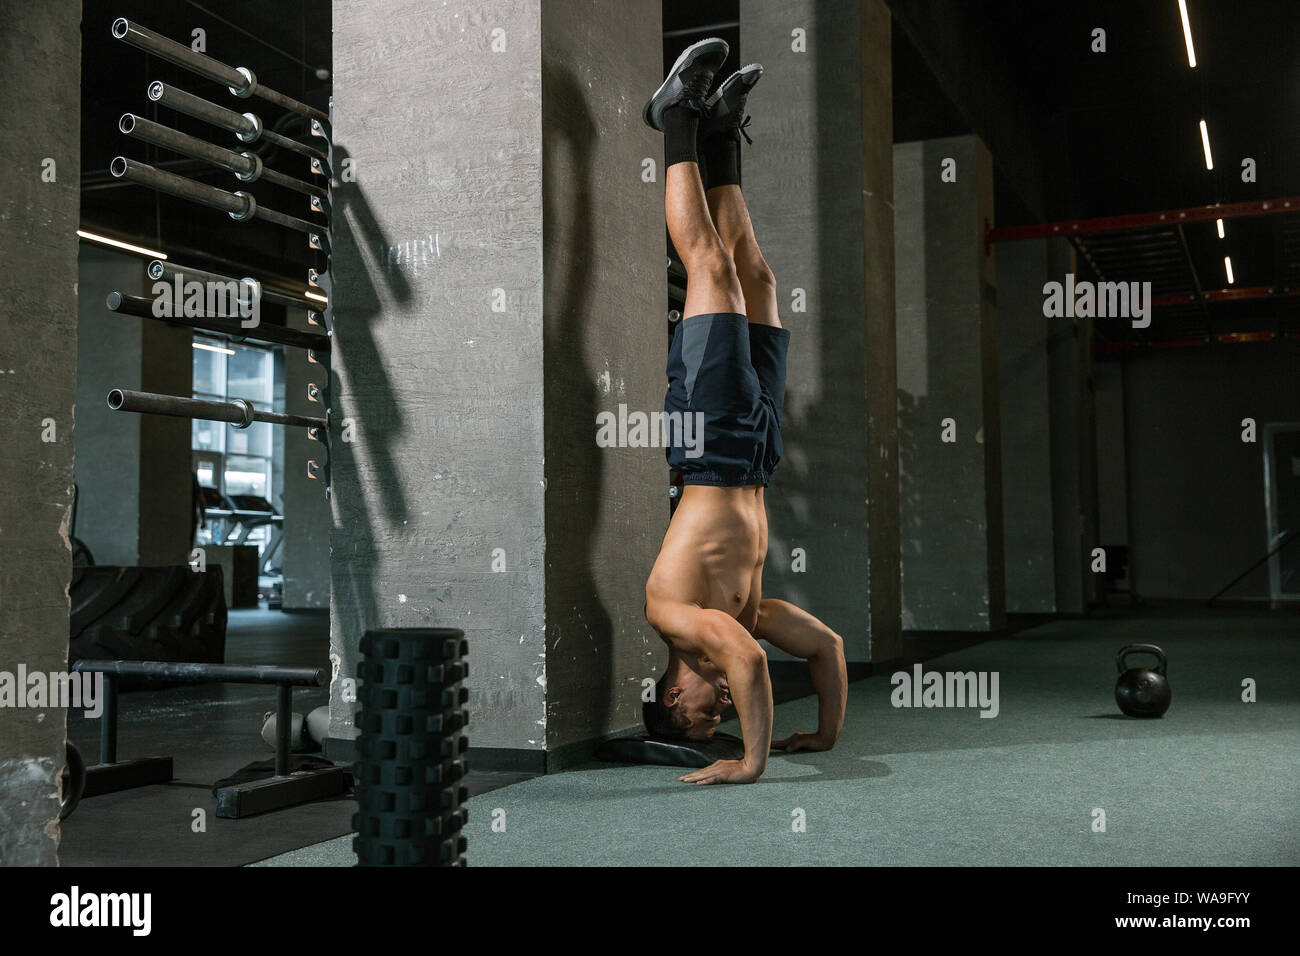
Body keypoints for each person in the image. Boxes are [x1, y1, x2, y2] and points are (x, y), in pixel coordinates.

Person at [641, 39, 848, 785]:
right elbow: (824, 646)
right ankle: (723, 135)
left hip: (710, 437)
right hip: (758, 450)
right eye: (723, 719)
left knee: (710, 267)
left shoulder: (673, 613)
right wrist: (824, 735)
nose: (721, 705)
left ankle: (673, 119)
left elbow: (750, 662)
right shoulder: (743, 618)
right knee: (757, 275)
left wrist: (748, 762)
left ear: (672, 691)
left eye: (704, 712)